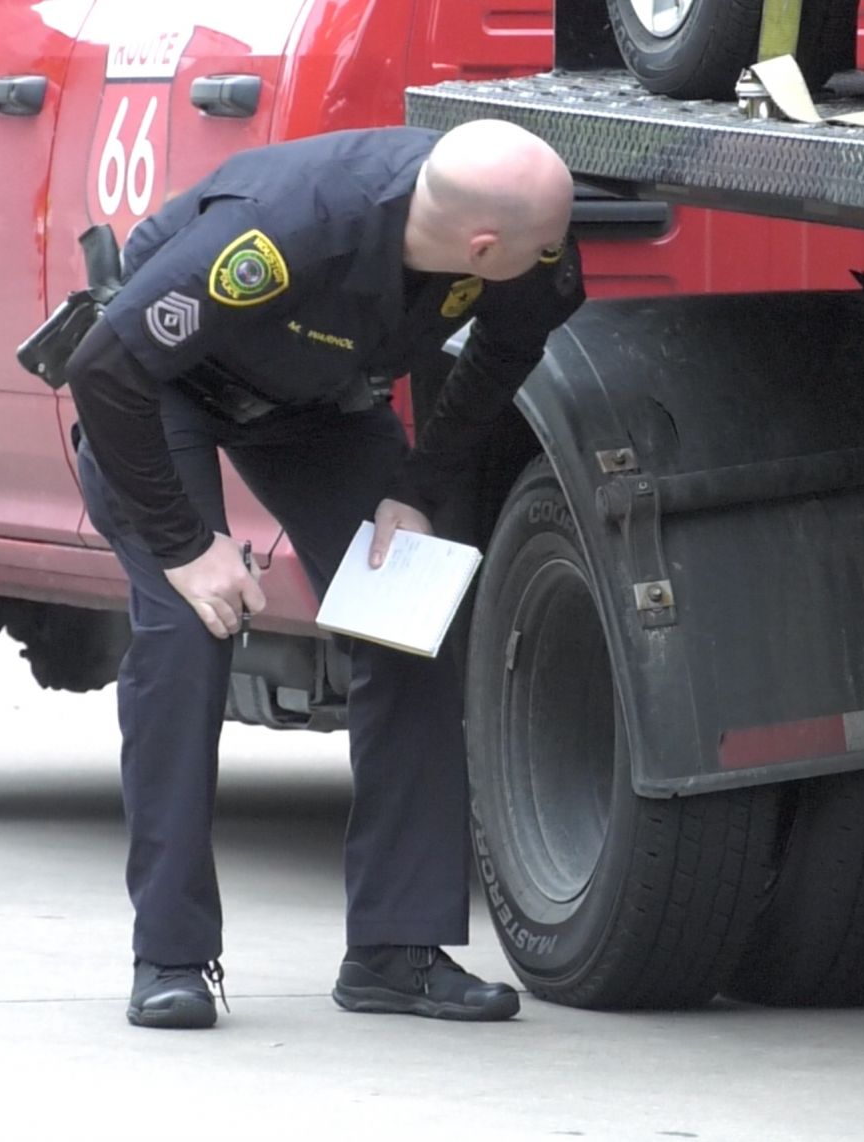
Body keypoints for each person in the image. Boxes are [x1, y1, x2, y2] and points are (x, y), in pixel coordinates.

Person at [62, 120, 583, 1029]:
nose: (558, 259)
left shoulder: (521, 247)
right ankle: (172, 959)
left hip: (314, 403)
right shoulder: (286, 229)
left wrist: (417, 490)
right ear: (482, 247)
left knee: (408, 612)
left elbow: (506, 352)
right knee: (193, 632)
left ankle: (395, 950)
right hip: (162, 389)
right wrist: (189, 548)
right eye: (541, 248)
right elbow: (104, 369)